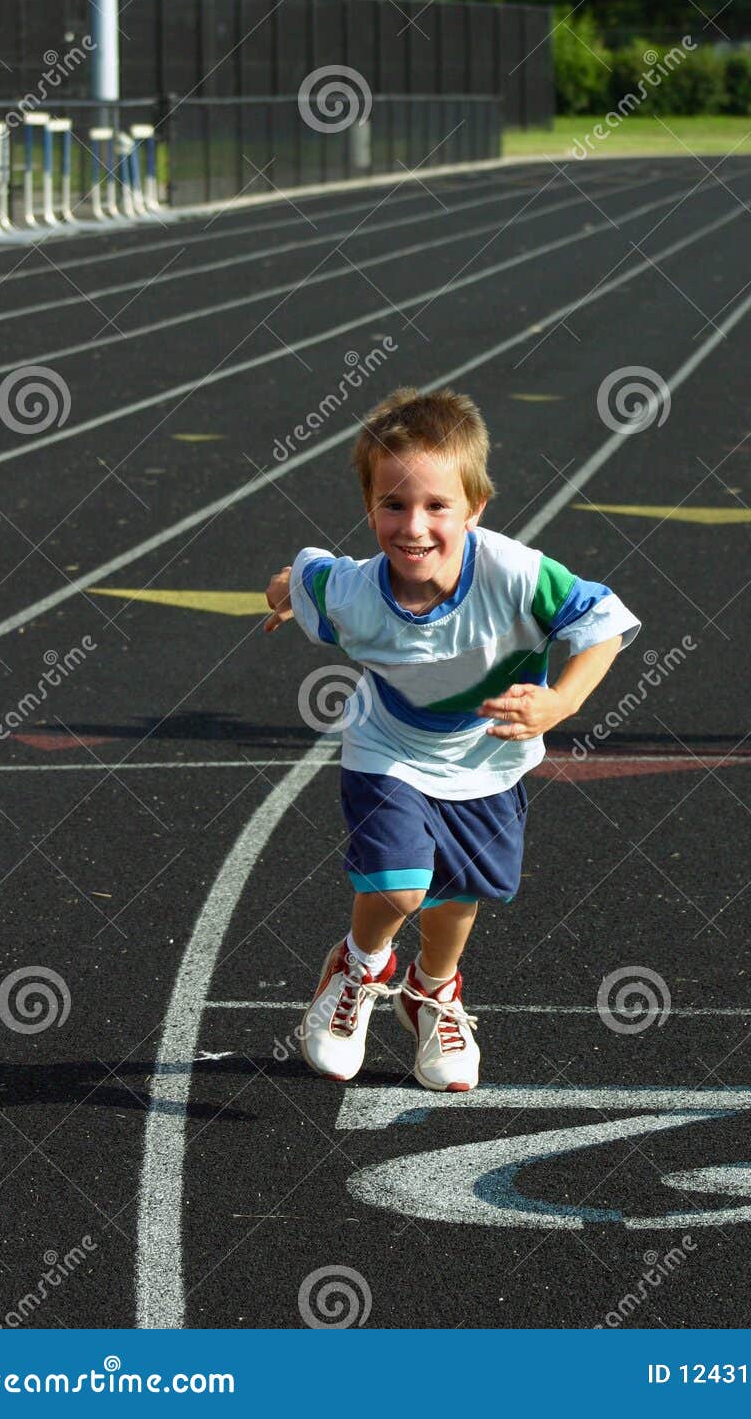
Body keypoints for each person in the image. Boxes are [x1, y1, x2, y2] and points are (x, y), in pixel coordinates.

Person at [263, 385, 641, 1090]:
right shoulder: (349, 592)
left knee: (455, 895)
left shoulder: (516, 574)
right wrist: (284, 596)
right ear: (369, 507)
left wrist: (558, 702)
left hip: (487, 757)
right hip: (387, 748)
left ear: (475, 507)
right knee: (403, 888)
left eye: (437, 506)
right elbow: (295, 578)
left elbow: (604, 626)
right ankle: (357, 965)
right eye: (393, 505)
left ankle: (432, 992)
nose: (413, 527)